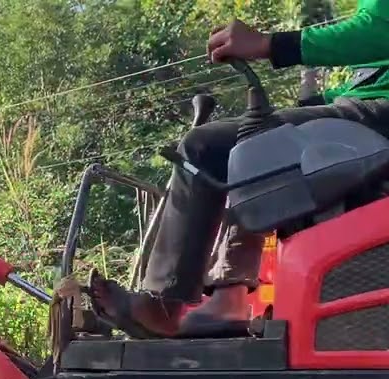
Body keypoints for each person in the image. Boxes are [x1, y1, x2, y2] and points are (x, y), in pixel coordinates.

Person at [92, 7, 389, 338]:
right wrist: (319, 101)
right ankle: (228, 297)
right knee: (253, 149)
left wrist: (269, 44)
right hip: (371, 110)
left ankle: (164, 304)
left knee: (205, 147)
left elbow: (379, 30)